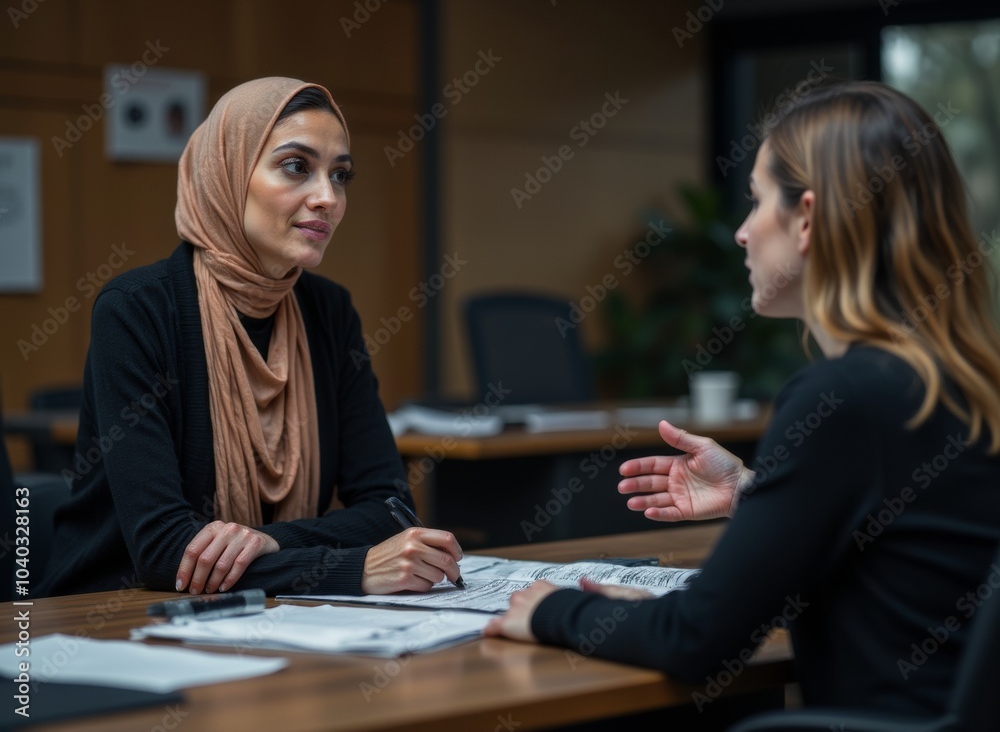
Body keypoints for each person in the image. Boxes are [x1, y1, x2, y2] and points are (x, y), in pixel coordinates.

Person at [485, 81, 1000, 718]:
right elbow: (899, 567)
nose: (740, 233)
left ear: (807, 218)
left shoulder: (844, 396)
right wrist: (759, 494)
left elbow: (699, 642)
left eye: (756, 202)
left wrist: (554, 609)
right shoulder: (959, 383)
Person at [39, 77, 463, 598]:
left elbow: (390, 509)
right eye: (296, 166)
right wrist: (350, 568)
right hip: (115, 616)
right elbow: (164, 551)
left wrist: (266, 543)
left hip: (270, 615)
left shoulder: (328, 311)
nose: (328, 197)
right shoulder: (136, 310)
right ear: (228, 173)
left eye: (341, 174)